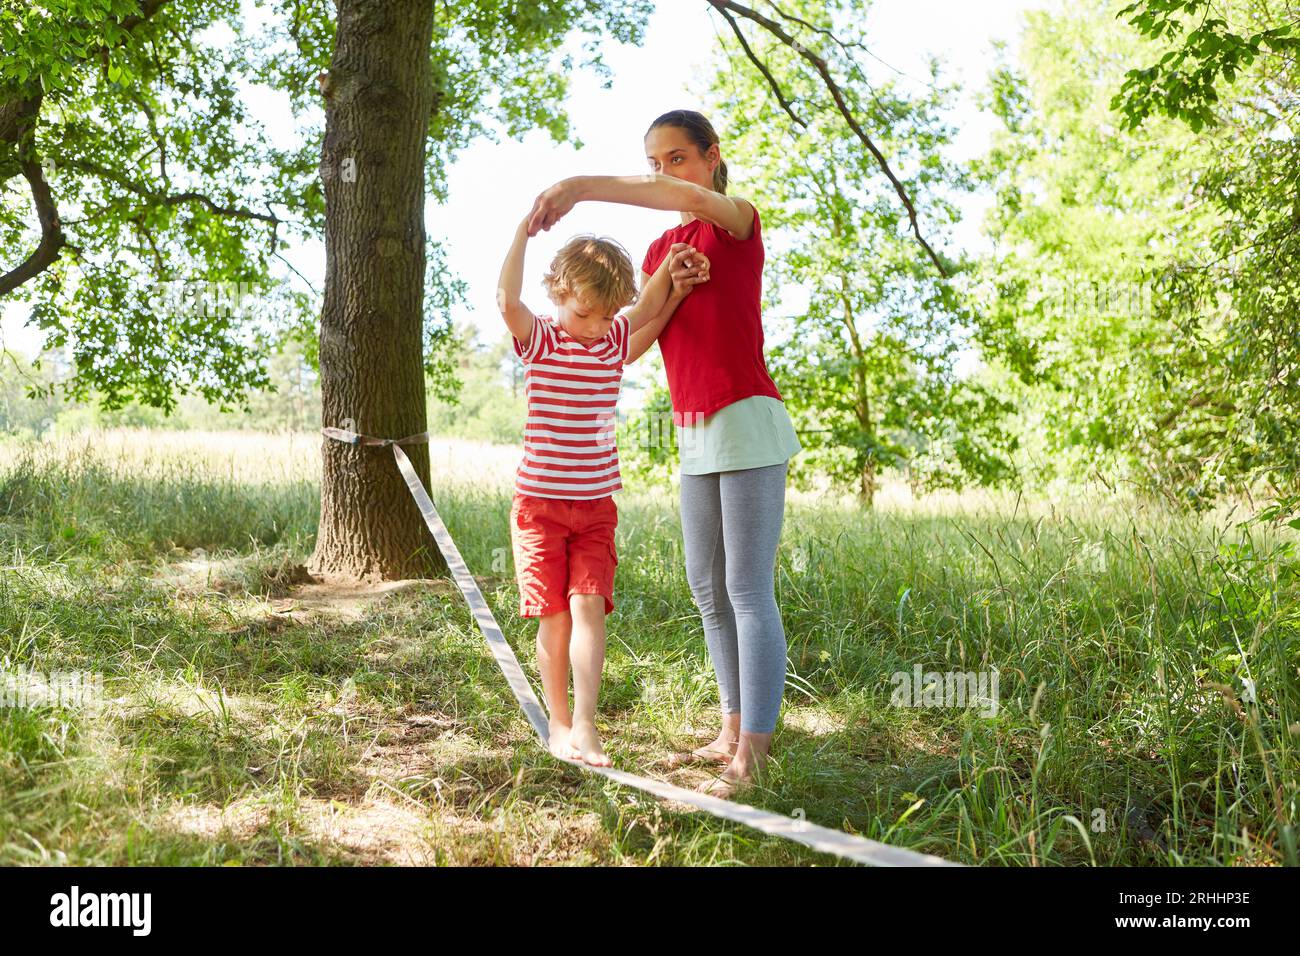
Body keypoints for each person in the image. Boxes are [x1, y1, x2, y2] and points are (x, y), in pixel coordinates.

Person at [525, 109, 801, 798]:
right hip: (694, 429)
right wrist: (671, 284)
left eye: (676, 158)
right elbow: (636, 341)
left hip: (747, 416)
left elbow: (685, 201)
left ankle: (755, 754)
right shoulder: (661, 254)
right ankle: (729, 728)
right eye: (654, 160)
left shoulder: (736, 220)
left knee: (746, 588)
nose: (664, 171)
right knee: (708, 590)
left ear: (711, 158)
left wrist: (579, 185)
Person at [496, 209, 710, 766]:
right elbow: (507, 302)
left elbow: (645, 314)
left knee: (589, 606)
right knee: (556, 615)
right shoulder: (542, 340)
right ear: (560, 291)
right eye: (584, 312)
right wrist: (521, 232)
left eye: (604, 315)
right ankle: (558, 724)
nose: (594, 325)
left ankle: (587, 727)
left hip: (595, 507)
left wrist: (672, 278)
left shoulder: (612, 340)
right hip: (539, 507)